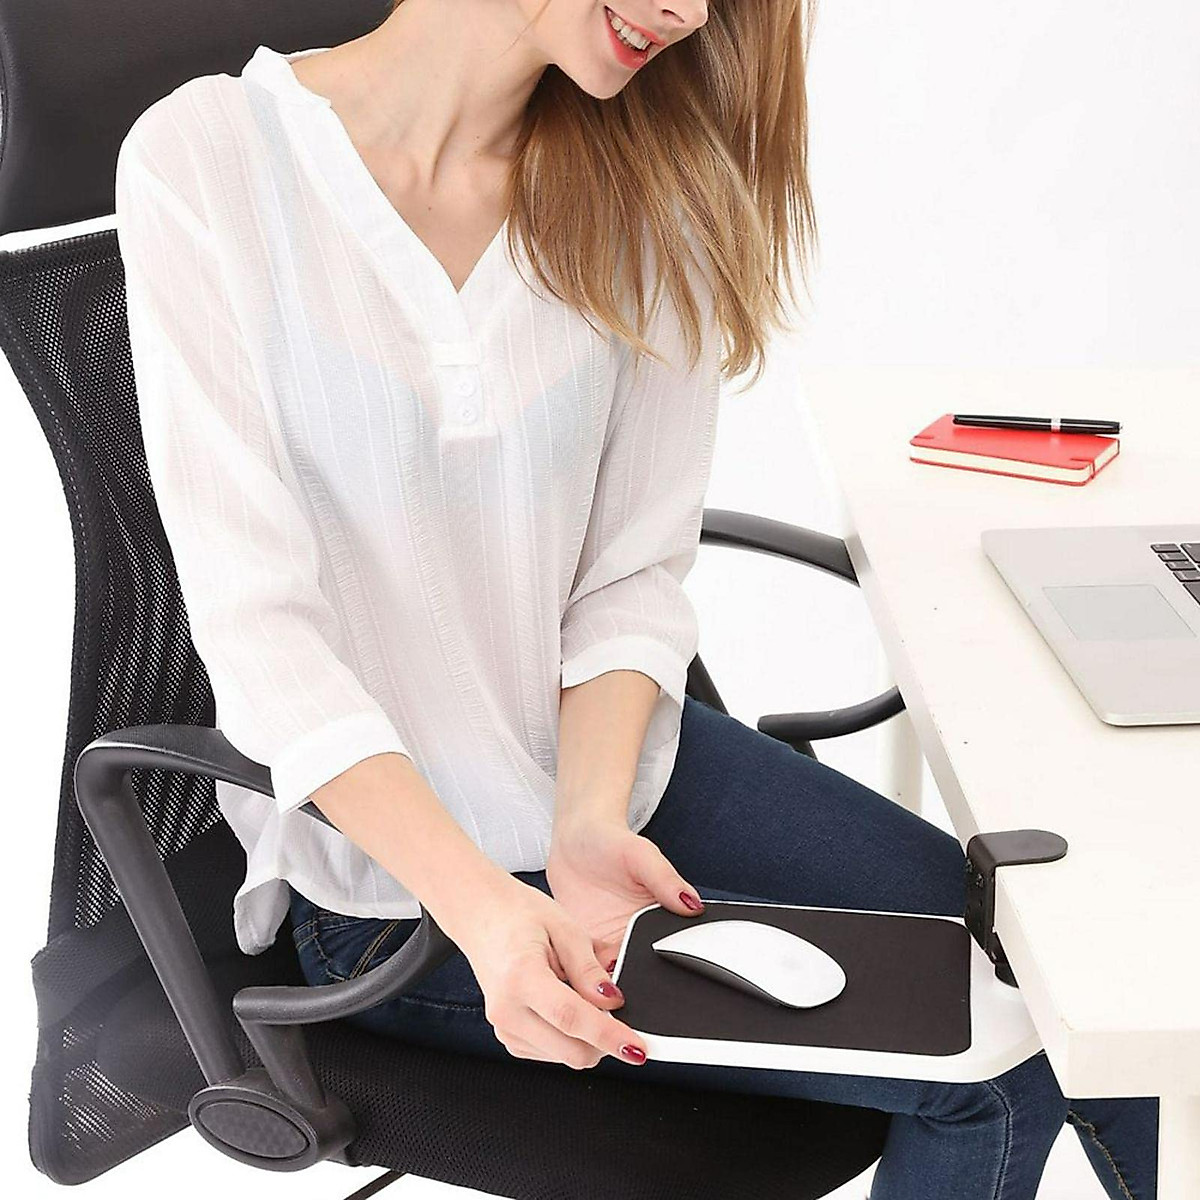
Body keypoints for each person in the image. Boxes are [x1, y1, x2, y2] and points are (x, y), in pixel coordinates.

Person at [114, 2, 1158, 1197]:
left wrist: (586, 818)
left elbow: (627, 579)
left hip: (621, 792)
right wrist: (487, 909)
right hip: (402, 889)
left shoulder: (648, 187)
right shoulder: (210, 159)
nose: (691, 13)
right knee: (997, 1064)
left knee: (1078, 981)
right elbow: (262, 635)